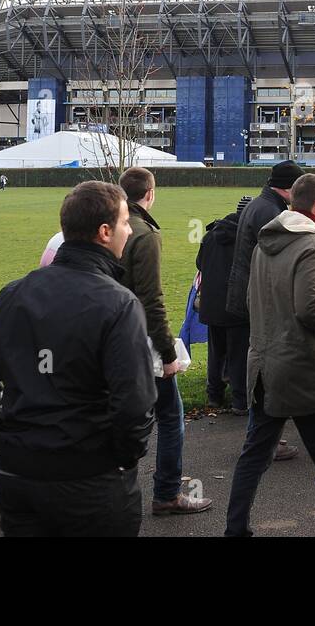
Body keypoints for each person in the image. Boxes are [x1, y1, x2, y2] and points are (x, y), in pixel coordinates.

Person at [0, 181, 157, 536]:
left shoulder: (14, 294)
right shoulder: (119, 304)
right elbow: (134, 402)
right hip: (88, 479)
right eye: (126, 222)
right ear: (104, 231)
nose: (129, 231)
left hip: (21, 474)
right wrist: (120, 458)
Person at [224, 173, 315, 536]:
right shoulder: (312, 246)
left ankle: (235, 528)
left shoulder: (265, 243)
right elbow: (311, 309)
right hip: (302, 367)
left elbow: (250, 300)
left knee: (255, 455)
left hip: (264, 365)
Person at [117, 167, 213, 515]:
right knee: (171, 417)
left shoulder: (111, 228)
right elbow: (151, 299)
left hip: (110, 339)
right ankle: (167, 493)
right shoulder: (143, 235)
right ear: (150, 194)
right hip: (138, 340)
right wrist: (167, 352)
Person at [225, 160, 304, 413]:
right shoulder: (270, 211)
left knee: (243, 351)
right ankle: (250, 405)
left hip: (243, 289)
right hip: (254, 294)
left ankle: (242, 402)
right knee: (256, 355)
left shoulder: (261, 204)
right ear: (288, 188)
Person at [196, 197, 251, 410]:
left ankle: (214, 396)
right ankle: (240, 401)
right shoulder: (248, 239)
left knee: (216, 354)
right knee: (239, 356)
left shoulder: (211, 235)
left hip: (212, 305)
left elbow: (200, 263)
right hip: (237, 306)